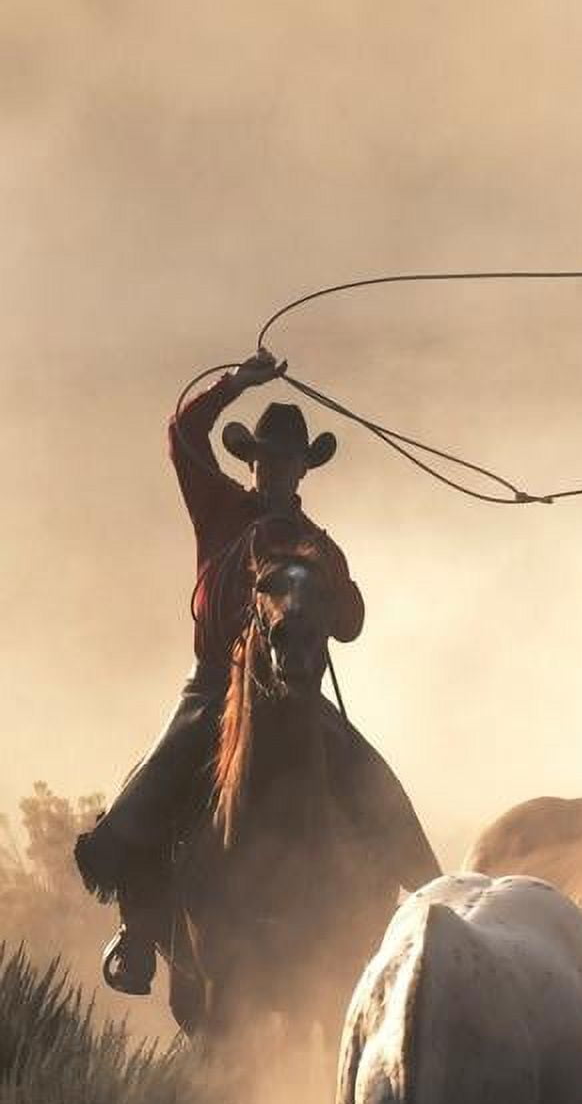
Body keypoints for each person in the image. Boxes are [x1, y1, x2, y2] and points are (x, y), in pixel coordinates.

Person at [74, 351, 439, 994]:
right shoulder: (219, 509)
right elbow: (183, 438)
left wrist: (328, 584)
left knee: (377, 786)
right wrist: (234, 384)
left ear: (303, 468)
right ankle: (140, 931)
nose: (276, 469)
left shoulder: (319, 543)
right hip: (214, 688)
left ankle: (429, 910)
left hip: (296, 696)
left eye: (288, 460)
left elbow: (349, 624)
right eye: (267, 458)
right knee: (146, 792)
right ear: (252, 463)